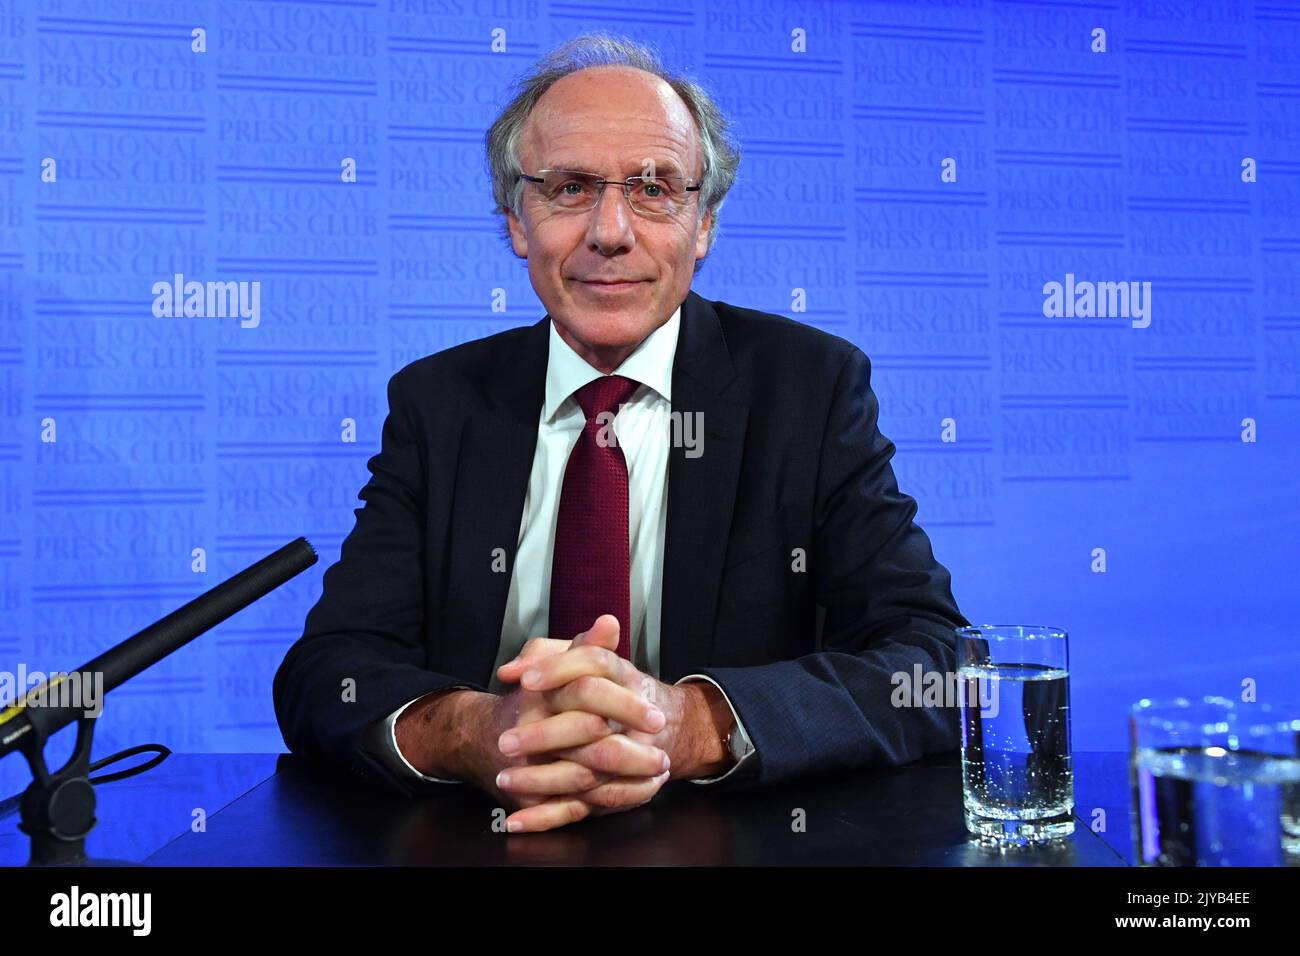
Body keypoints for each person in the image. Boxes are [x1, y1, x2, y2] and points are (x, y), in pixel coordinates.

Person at [273, 32, 968, 834]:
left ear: (703, 223)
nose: (610, 230)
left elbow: (936, 664)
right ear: (515, 222)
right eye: (568, 187)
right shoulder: (439, 404)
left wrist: (695, 724)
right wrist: (475, 732)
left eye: (654, 188)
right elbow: (328, 673)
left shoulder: (808, 390)